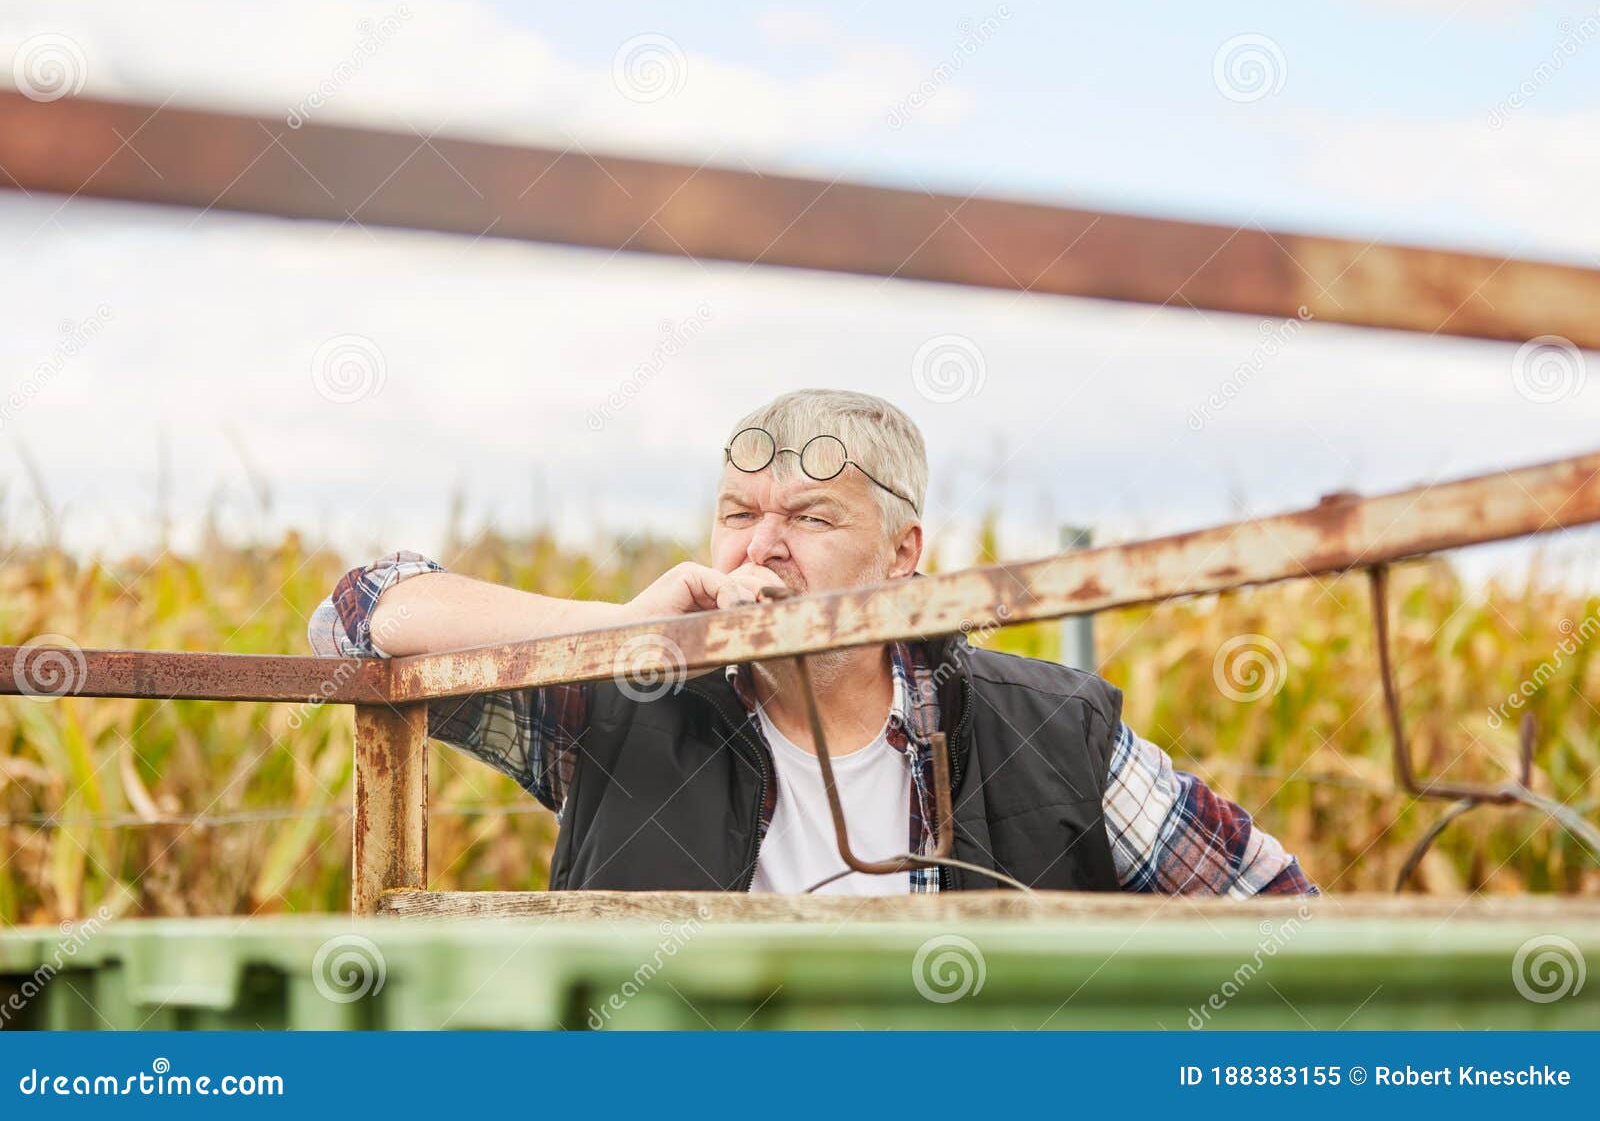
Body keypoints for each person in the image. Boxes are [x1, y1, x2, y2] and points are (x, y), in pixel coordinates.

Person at [309, 388, 1317, 897]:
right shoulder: (622, 695)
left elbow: (1270, 907)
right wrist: (623, 630)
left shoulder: (1046, 727)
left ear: (901, 553)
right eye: (738, 512)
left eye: (813, 518)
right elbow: (358, 614)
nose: (763, 546)